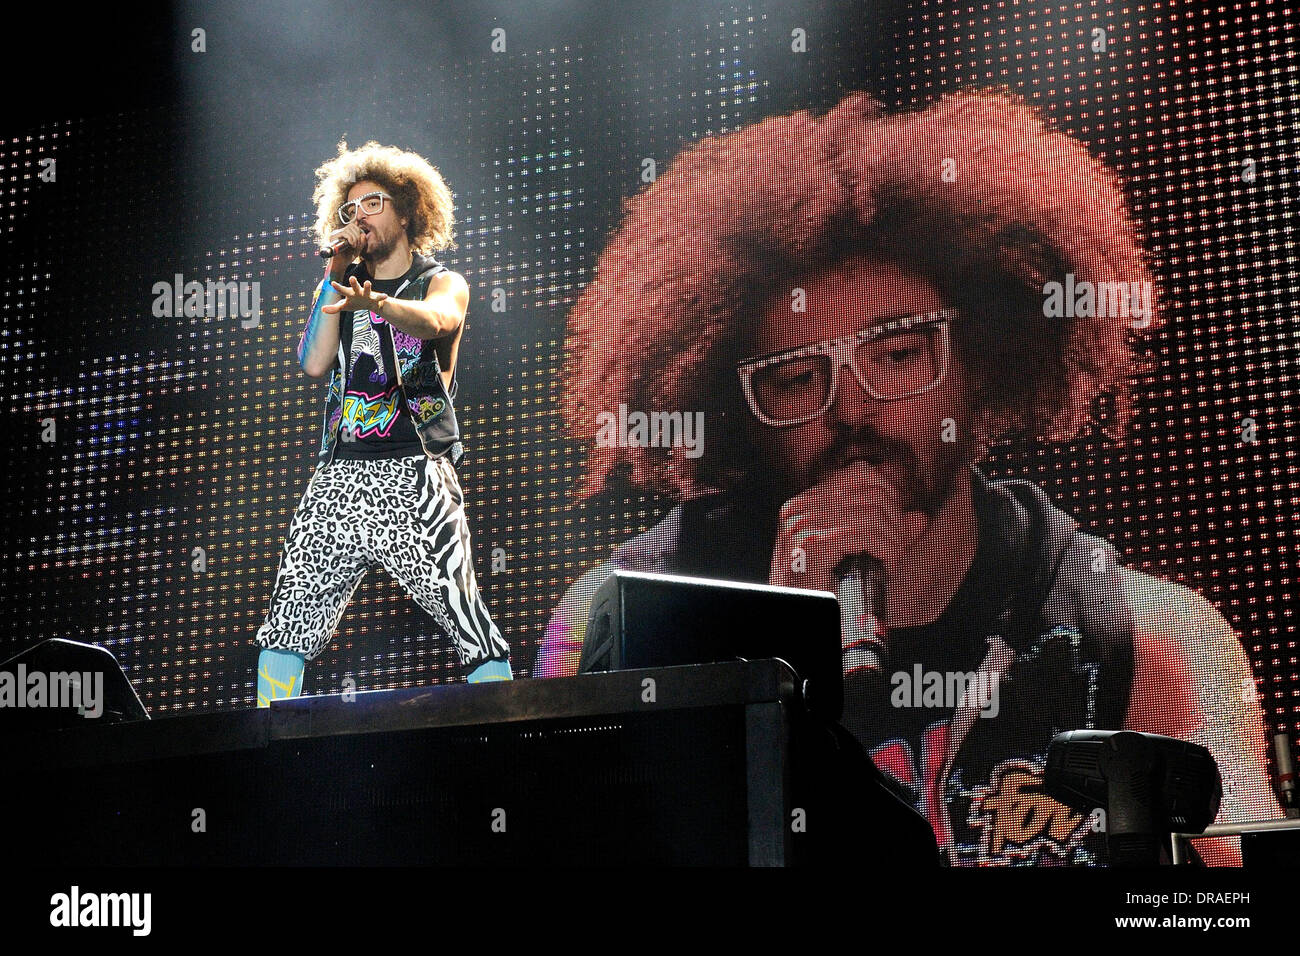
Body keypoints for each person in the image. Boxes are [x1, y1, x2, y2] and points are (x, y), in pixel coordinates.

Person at [536, 90, 1279, 865]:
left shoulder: (1136, 636)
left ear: (981, 364)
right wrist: (773, 651)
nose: (851, 411)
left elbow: (1244, 896)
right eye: (795, 379)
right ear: (741, 415)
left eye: (898, 356)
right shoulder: (617, 616)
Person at [255, 141, 512, 706]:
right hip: (341, 478)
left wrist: (379, 305)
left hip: (414, 473)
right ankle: (268, 746)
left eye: (371, 204)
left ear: (406, 210)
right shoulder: (341, 286)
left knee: (464, 616)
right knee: (288, 622)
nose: (359, 217)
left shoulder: (441, 281)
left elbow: (437, 320)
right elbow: (314, 363)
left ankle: (506, 732)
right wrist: (335, 273)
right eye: (349, 211)